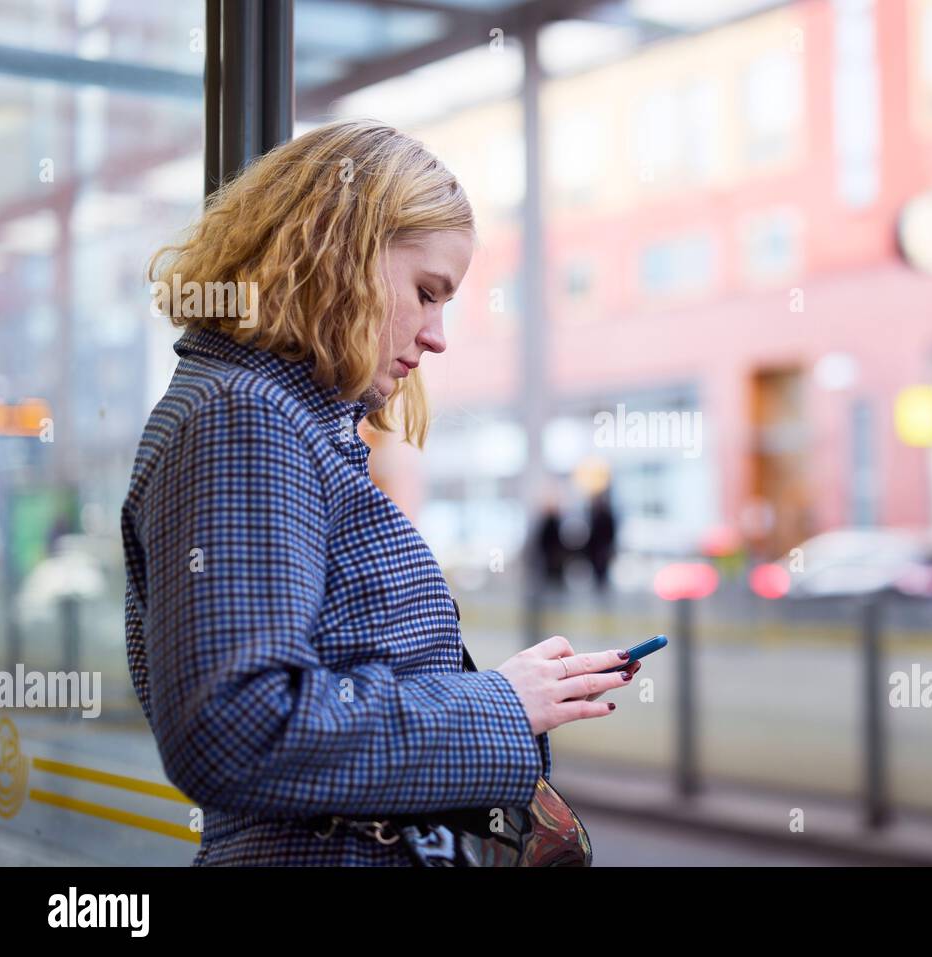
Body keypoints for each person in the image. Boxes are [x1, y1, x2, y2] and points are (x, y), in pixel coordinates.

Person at [120, 119, 641, 866]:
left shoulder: (279, 417)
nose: (437, 336)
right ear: (338, 252)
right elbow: (234, 729)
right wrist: (502, 702)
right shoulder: (244, 418)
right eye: (427, 292)